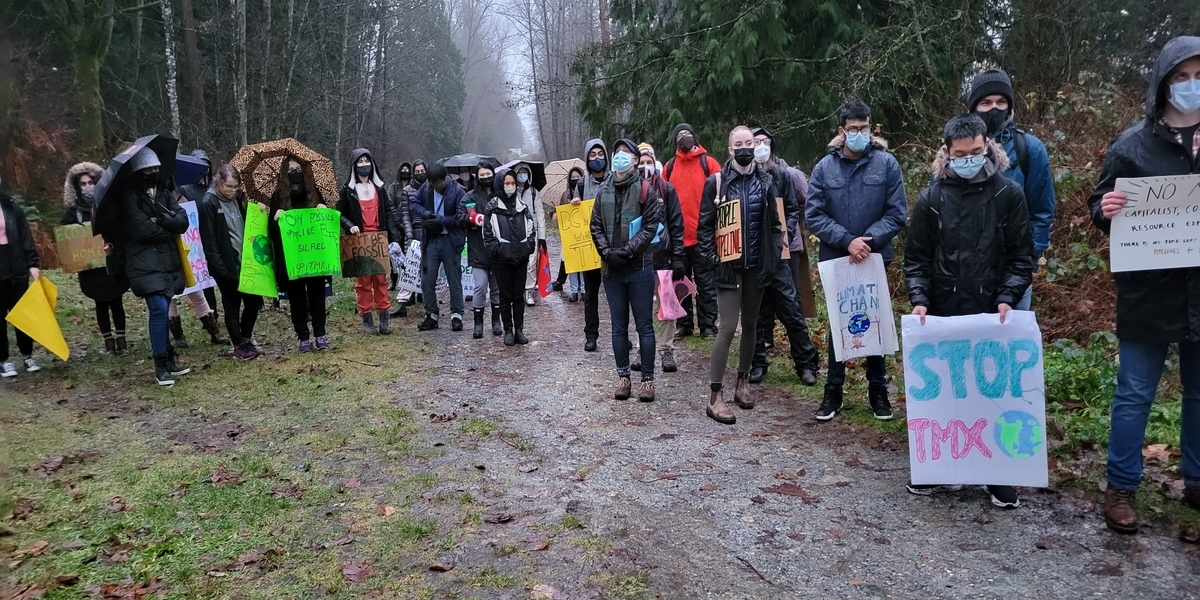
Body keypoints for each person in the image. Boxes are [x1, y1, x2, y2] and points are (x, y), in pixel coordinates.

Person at [1089, 36, 1200, 534]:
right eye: (1181, 76)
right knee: (1134, 393)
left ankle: (1196, 482)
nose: (1191, 86)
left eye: (1199, 76)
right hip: (1148, 290)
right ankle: (1121, 489)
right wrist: (1106, 209)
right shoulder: (1132, 144)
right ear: (1163, 82)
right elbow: (1100, 205)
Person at [905, 113, 1035, 508]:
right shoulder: (932, 199)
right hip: (944, 310)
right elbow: (916, 258)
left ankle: (997, 473)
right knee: (945, 392)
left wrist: (1007, 297)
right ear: (946, 153)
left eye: (976, 152)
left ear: (988, 146)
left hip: (990, 312)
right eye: (960, 154)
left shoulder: (1008, 195)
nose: (969, 160)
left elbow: (1021, 257)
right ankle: (938, 467)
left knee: (991, 390)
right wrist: (920, 298)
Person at [806, 98, 907, 421]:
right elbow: (815, 215)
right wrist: (847, 241)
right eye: (853, 129)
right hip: (839, 258)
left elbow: (897, 213)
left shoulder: (886, 164)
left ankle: (878, 392)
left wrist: (868, 241)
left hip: (875, 257)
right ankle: (832, 392)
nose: (859, 134)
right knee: (841, 324)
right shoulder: (825, 168)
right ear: (842, 130)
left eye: (864, 128)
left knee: (873, 323)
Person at [696, 126, 787, 424]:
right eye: (740, 143)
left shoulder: (766, 181)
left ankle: (742, 383)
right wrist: (712, 259)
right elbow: (705, 227)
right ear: (730, 148)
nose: (746, 147)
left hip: (757, 267)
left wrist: (772, 261)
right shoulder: (717, 183)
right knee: (727, 327)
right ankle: (715, 396)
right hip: (729, 267)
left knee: (751, 327)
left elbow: (776, 226)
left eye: (750, 142)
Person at [967, 69, 1057, 311]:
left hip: (1013, 272)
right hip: (964, 273)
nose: (994, 108)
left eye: (1001, 101)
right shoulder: (957, 149)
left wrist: (1028, 259)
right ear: (974, 107)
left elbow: (1042, 210)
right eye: (985, 102)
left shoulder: (1030, 149)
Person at [746, 127, 821, 386]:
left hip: (779, 255)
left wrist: (784, 235)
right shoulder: (742, 177)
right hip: (752, 257)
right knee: (755, 314)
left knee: (791, 310)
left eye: (763, 142)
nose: (759, 146)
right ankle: (757, 363)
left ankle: (806, 363)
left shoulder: (783, 175)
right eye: (754, 142)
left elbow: (791, 209)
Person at [591, 138, 663, 401]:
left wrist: (629, 251)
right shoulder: (603, 190)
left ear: (635, 160)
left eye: (626, 154)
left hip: (639, 268)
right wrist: (608, 252)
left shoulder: (646, 190)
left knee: (644, 326)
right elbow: (595, 226)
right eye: (617, 153)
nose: (620, 157)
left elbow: (650, 227)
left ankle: (647, 381)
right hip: (612, 270)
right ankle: (623, 377)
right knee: (618, 327)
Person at [112, 147, 191, 385]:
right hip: (143, 262)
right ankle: (160, 365)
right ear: (138, 172)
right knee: (157, 308)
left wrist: (162, 221)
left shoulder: (165, 193)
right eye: (148, 170)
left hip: (167, 261)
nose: (153, 173)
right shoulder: (129, 197)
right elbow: (141, 229)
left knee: (164, 307)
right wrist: (168, 228)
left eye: (156, 168)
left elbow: (182, 220)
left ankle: (168, 358)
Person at [61, 162, 130, 356]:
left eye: (91, 182)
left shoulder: (108, 207)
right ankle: (108, 340)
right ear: (76, 187)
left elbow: (119, 229)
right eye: (83, 184)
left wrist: (111, 244)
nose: (87, 187)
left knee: (116, 300)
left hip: (109, 261)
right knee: (100, 301)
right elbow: (66, 238)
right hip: (90, 267)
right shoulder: (72, 214)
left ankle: (121, 338)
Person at [662, 123, 722, 340]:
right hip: (678, 238)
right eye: (679, 135)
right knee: (680, 283)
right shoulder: (669, 167)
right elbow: (663, 199)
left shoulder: (710, 163)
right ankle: (684, 324)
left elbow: (722, 194)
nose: (684, 138)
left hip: (704, 237)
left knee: (706, 284)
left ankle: (708, 326)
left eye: (688, 134)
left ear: (695, 138)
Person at [198, 165, 263, 359]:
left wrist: (258, 210)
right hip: (226, 263)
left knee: (253, 302)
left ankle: (246, 337)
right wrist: (219, 267)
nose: (231, 190)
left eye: (235, 186)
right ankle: (238, 345)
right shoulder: (209, 202)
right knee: (232, 305)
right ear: (219, 182)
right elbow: (209, 238)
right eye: (228, 186)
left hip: (247, 261)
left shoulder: (240, 199)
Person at [269, 156, 332, 351]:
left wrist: (324, 211)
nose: (295, 173)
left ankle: (320, 335)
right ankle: (303, 337)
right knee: (296, 299)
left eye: (298, 169)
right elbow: (271, 232)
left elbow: (327, 227)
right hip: (292, 257)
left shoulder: (315, 193)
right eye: (290, 170)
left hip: (314, 256)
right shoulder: (278, 196)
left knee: (317, 296)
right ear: (284, 174)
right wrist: (275, 218)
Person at [337, 148, 397, 335]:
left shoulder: (379, 188)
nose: (364, 165)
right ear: (354, 166)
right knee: (363, 281)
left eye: (366, 161)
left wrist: (394, 236)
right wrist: (350, 226)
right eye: (360, 162)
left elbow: (388, 212)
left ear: (372, 164)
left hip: (378, 240)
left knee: (380, 279)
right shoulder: (347, 190)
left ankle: (384, 316)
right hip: (359, 240)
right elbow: (339, 214)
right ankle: (366, 317)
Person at [635, 143, 684, 373]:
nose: (645, 167)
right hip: (639, 260)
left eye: (649, 162)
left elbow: (677, 225)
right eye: (641, 162)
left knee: (668, 307)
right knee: (640, 307)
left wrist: (678, 257)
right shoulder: (631, 190)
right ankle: (640, 349)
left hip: (663, 259)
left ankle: (666, 350)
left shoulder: (667, 189)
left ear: (655, 163)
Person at [410, 161, 468, 332]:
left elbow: (461, 217)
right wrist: (425, 213)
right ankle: (431, 315)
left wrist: (443, 220)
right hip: (431, 240)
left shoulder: (458, 191)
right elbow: (413, 203)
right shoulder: (426, 188)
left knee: (454, 279)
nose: (435, 186)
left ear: (445, 179)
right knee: (427, 278)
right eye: (431, 182)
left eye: (437, 182)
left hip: (451, 240)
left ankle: (456, 315)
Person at [483, 168, 538, 346]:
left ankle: (519, 329)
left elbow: (531, 230)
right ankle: (508, 329)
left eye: (513, 183)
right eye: (506, 183)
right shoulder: (492, 208)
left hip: (520, 259)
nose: (510, 186)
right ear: (500, 184)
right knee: (505, 297)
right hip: (501, 261)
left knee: (518, 296)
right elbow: (488, 235)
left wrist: (528, 248)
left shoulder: (522, 207)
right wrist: (499, 251)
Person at [0, 177, 42, 377]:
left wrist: (32, 264)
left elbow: (25, 236)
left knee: (23, 314)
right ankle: (3, 361)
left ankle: (27, 355)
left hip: (17, 267)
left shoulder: (10, 205)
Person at [573, 139, 609, 352]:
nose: (597, 158)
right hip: (589, 250)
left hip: (612, 248)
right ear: (587, 158)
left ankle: (620, 334)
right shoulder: (581, 184)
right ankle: (591, 335)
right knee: (591, 295)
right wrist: (574, 204)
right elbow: (573, 216)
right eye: (592, 155)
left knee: (616, 296)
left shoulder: (615, 179)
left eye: (600, 154)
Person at [465, 162, 503, 338]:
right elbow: (459, 217)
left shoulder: (500, 196)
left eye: (489, 174)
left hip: (497, 250)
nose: (486, 178)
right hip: (478, 250)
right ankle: (478, 322)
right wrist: (472, 220)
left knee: (496, 288)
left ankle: (497, 321)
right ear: (477, 177)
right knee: (480, 285)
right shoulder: (469, 196)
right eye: (482, 175)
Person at [392, 160, 427, 314]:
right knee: (408, 269)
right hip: (413, 231)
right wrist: (409, 236)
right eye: (417, 171)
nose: (420, 173)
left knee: (428, 267)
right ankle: (402, 302)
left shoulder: (431, 188)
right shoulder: (407, 190)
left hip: (429, 231)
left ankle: (426, 299)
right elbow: (404, 215)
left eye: (422, 171)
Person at [513, 162, 546, 307]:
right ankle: (517, 289)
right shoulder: (511, 191)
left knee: (531, 262)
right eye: (520, 172)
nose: (522, 175)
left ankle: (529, 290)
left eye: (525, 172)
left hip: (531, 231)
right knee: (516, 261)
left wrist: (542, 236)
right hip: (515, 231)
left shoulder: (534, 192)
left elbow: (540, 214)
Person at [554, 166, 586, 301]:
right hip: (570, 235)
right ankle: (574, 291)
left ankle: (584, 290)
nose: (575, 179)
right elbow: (561, 213)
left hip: (584, 233)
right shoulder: (565, 195)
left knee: (584, 264)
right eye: (573, 177)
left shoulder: (586, 191)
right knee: (572, 264)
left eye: (578, 177)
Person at [387, 162, 416, 296]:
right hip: (396, 225)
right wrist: (396, 221)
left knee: (410, 253)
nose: (405, 171)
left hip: (411, 223)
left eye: (407, 169)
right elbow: (390, 204)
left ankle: (410, 282)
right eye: (403, 169)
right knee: (394, 253)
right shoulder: (394, 187)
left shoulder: (414, 186)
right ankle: (394, 281)